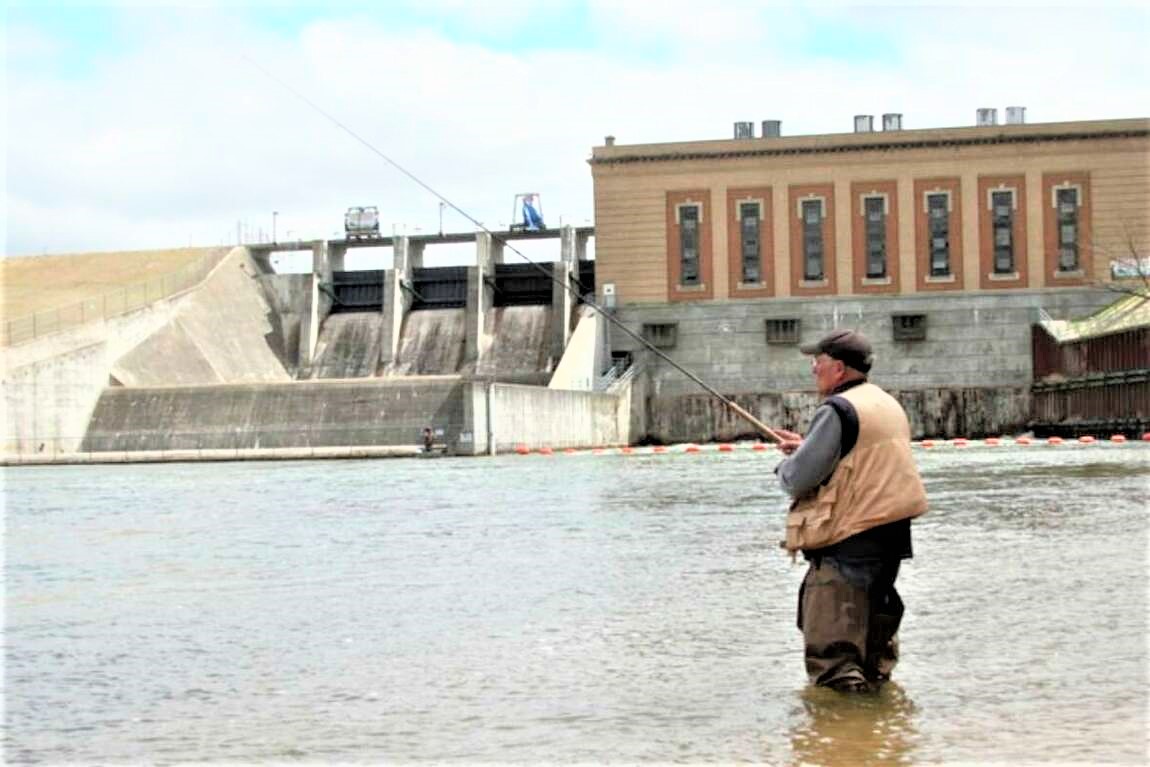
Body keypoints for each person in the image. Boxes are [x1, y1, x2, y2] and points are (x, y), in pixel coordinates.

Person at [773, 329, 928, 693]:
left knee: (835, 669)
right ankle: (880, 742)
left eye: (819, 362)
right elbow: (860, 459)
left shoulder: (837, 409)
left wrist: (789, 463)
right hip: (887, 548)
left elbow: (796, 479)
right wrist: (808, 446)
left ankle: (843, 746)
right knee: (874, 667)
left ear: (839, 369)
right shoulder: (885, 403)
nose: (814, 369)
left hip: (846, 548)